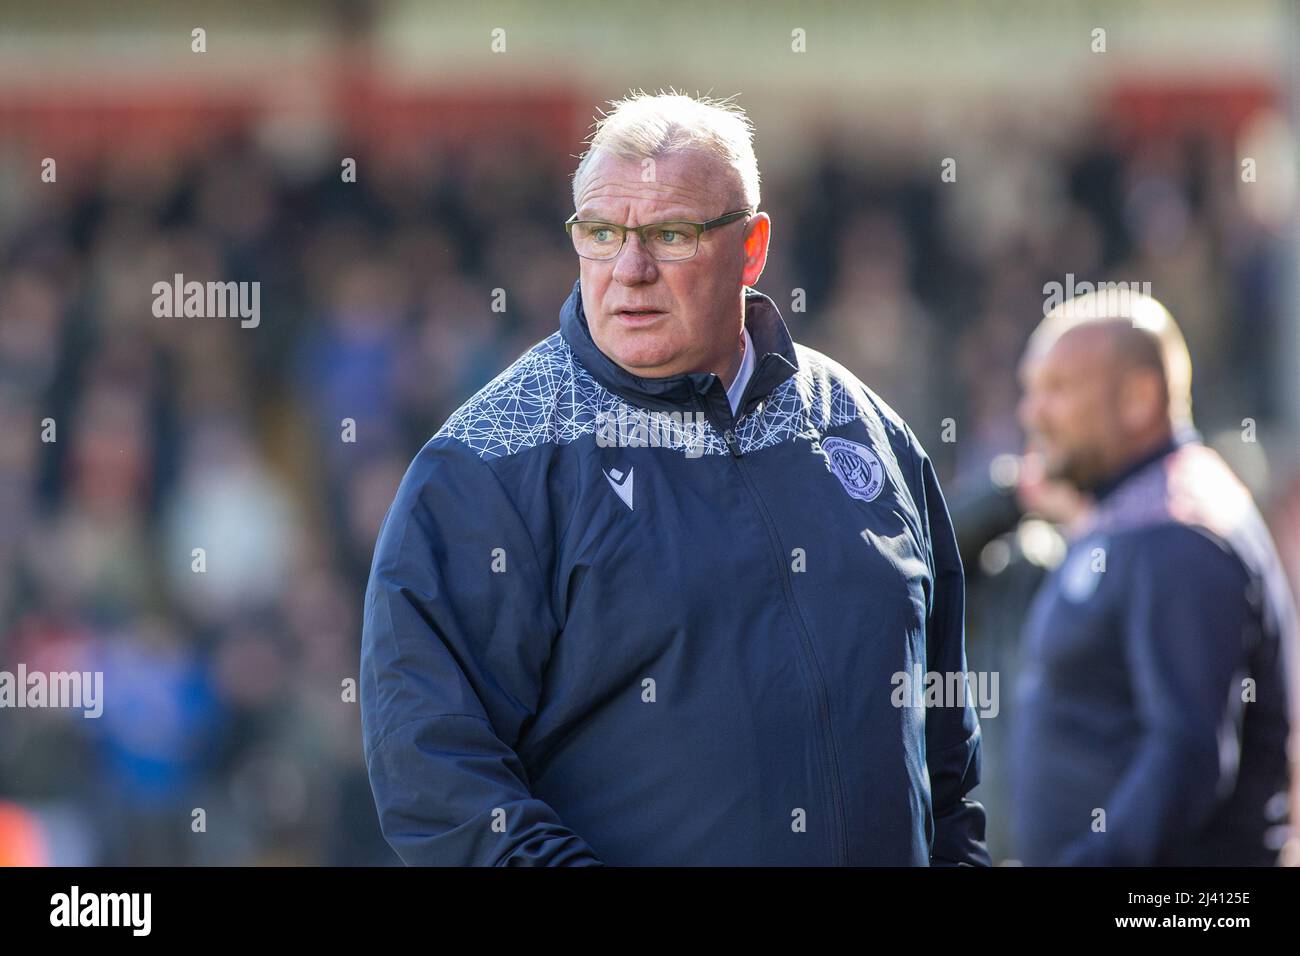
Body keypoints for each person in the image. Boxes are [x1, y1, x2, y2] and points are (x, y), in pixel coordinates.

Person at [360, 91, 989, 866]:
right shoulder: (486, 463)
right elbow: (433, 775)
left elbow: (947, 755)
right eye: (600, 234)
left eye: (670, 234)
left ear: (752, 249)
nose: (629, 270)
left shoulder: (869, 431)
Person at [1011, 288, 1299, 865]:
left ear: (1140, 397)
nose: (1032, 413)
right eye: (1030, 391)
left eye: (1058, 390)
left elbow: (1188, 753)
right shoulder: (1134, 511)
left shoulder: (1176, 534)